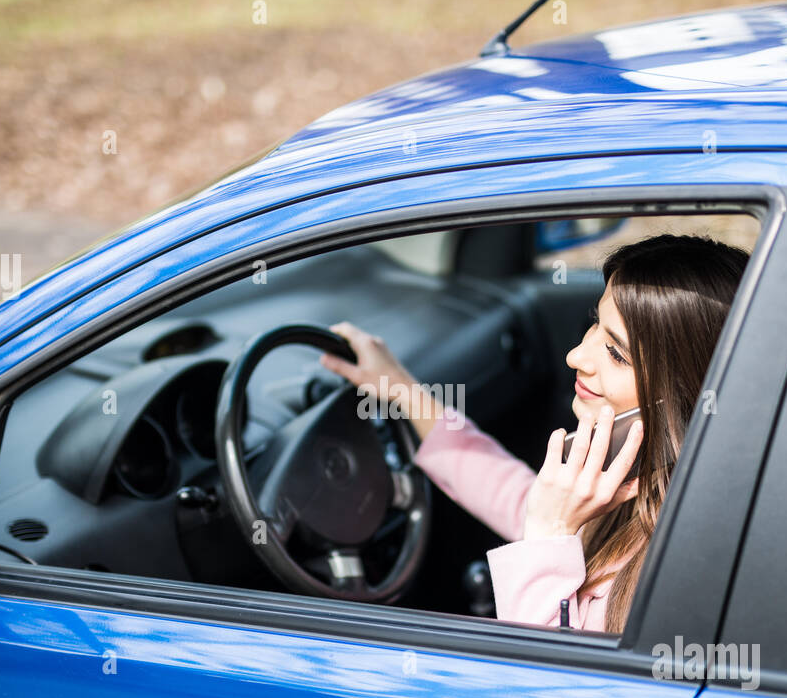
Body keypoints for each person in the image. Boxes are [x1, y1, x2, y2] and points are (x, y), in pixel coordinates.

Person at [320, 234, 748, 634]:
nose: (576, 356)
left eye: (616, 353)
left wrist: (550, 529)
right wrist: (399, 388)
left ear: (683, 394)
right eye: (594, 324)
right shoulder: (633, 486)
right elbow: (508, 492)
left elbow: (551, 679)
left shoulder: (674, 572)